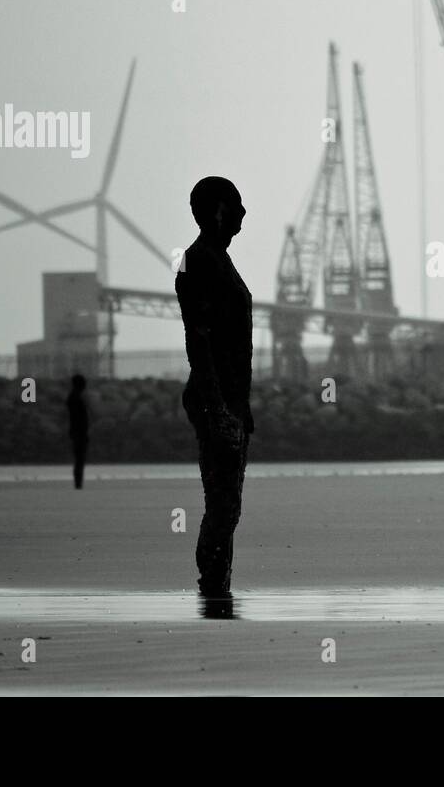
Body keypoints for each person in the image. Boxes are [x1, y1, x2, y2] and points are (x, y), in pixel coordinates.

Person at [175, 176, 254, 614]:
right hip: (216, 402)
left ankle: (219, 585)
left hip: (232, 402)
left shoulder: (218, 260)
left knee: (229, 505)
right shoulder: (199, 261)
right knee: (222, 503)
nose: (244, 214)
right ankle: (212, 587)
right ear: (220, 210)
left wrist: (242, 408)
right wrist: (218, 408)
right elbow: (198, 341)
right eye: (238, 205)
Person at [65, 373, 89, 489]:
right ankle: (78, 483)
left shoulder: (73, 398)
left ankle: (78, 483)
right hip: (79, 433)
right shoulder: (75, 399)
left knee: (79, 459)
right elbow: (78, 418)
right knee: (79, 459)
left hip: (77, 432)